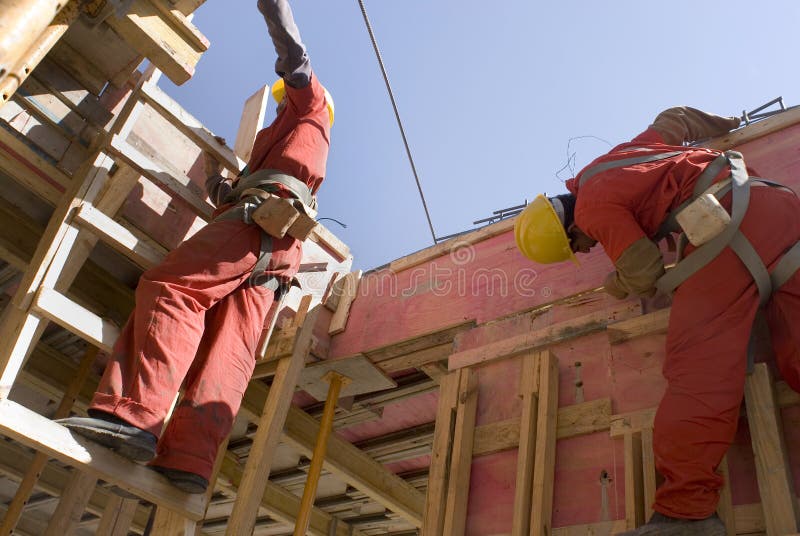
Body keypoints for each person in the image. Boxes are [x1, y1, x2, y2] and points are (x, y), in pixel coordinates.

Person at [59, 0, 334, 494]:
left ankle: (133, 417)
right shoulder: (285, 145)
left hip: (259, 221)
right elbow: (238, 192)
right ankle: (189, 459)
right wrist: (215, 179)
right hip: (278, 249)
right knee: (229, 352)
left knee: (172, 289)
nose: (280, 102)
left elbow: (296, 57)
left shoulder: (311, 109)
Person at [514, 107, 800, 534]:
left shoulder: (592, 208)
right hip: (777, 203)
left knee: (698, 373)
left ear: (569, 229)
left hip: (728, 229)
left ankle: (685, 514)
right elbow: (677, 119)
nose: (588, 250)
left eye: (578, 246)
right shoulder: (624, 155)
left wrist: (618, 284)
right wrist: (725, 124)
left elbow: (645, 270)